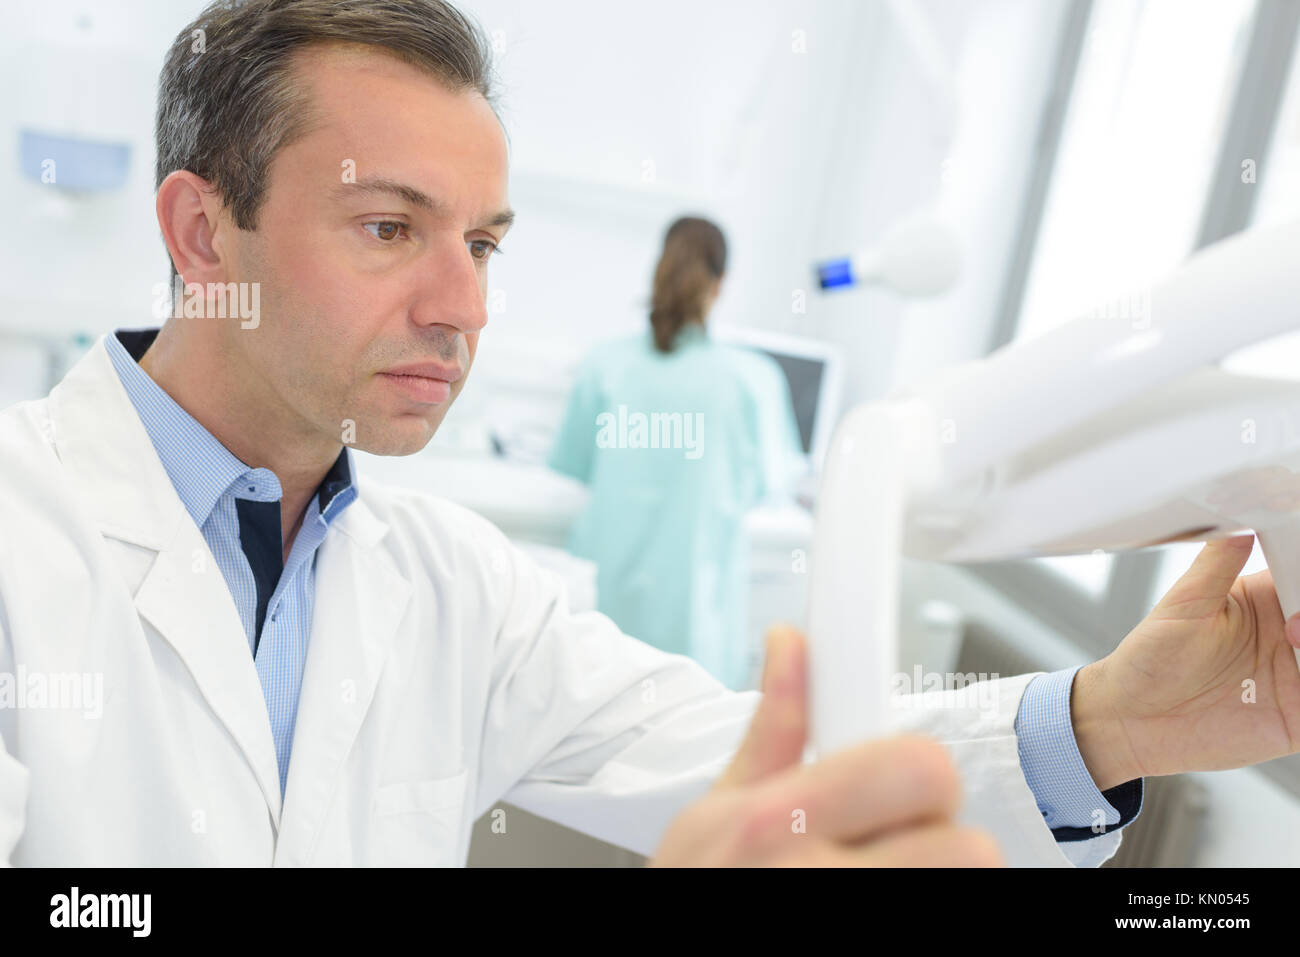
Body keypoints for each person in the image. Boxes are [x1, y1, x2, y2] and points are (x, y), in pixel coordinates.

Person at [3, 0, 1300, 868]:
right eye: (390, 227)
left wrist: (1113, 720)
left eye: (485, 243)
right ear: (198, 233)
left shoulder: (454, 587)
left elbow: (738, 755)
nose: (464, 306)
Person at [548, 216, 804, 690]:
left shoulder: (604, 364)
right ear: (721, 284)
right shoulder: (752, 380)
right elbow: (773, 483)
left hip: (601, 618)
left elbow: (576, 465)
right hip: (693, 630)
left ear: (659, 267)